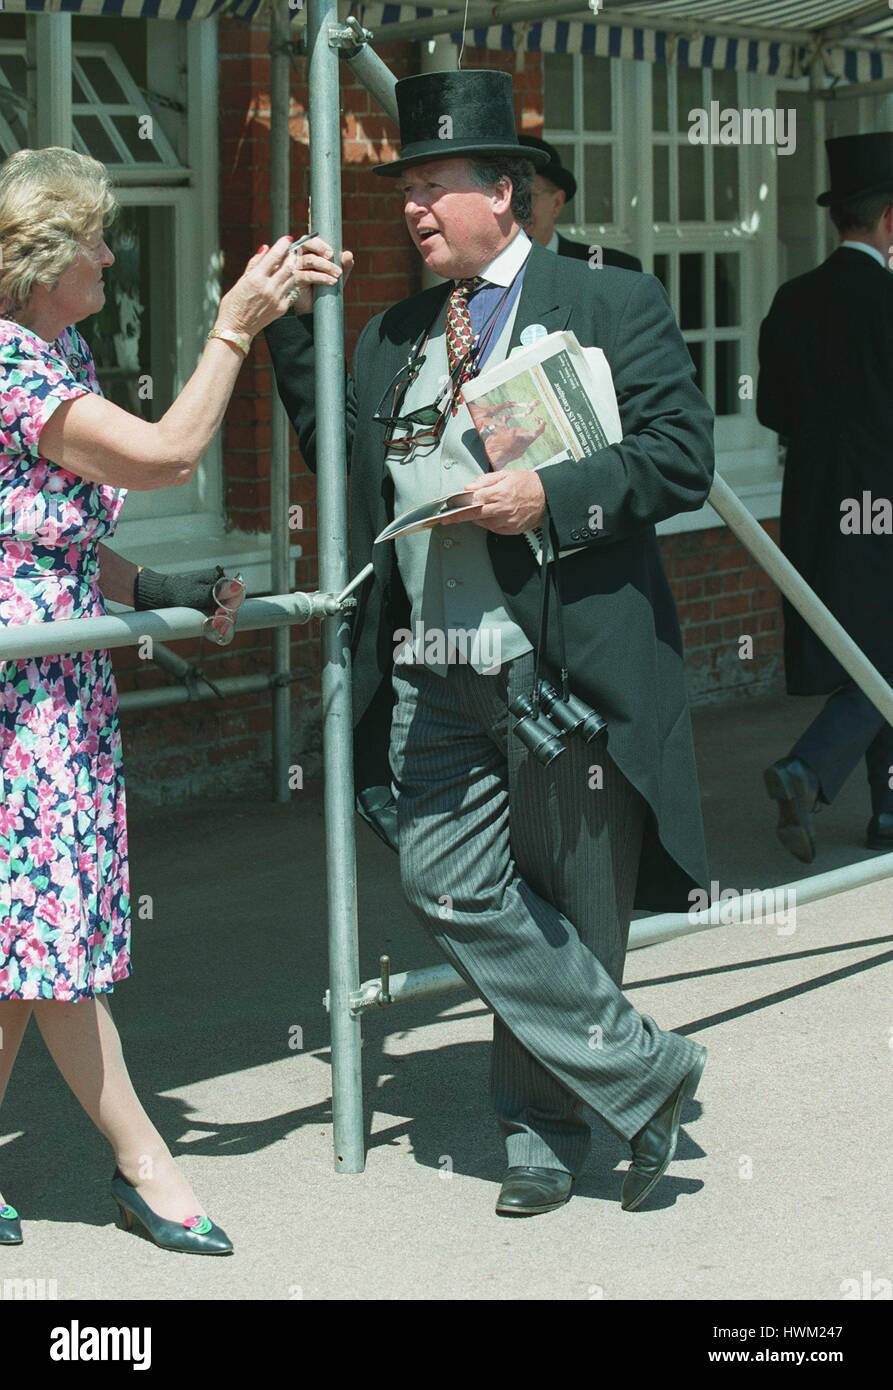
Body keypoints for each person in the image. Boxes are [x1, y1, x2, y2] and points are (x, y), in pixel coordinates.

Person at [266, 69, 714, 1216]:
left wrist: (552, 497)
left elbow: (678, 457)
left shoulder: (607, 299)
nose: (413, 208)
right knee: (445, 876)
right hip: (432, 663)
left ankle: (539, 1131)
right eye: (405, 190)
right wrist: (287, 329)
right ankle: (642, 1068)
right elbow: (343, 456)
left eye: (433, 186)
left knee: (570, 894)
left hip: (563, 663)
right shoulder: (393, 333)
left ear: (503, 194)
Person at [0, 146, 316, 1252]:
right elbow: (169, 456)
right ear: (42, 261)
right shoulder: (13, 371)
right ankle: (144, 1158)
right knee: (48, 934)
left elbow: (63, 536)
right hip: (17, 689)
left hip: (60, 669)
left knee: (23, 936)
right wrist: (234, 324)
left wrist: (168, 590)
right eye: (91, 238)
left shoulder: (59, 346)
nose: (107, 254)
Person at [757, 132, 893, 863]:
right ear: (889, 220)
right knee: (882, 657)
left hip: (812, 504)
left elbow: (771, 410)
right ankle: (807, 769)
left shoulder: (791, 298)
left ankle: (885, 812)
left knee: (869, 650)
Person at [518, 133, 643, 272]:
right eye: (499, 197)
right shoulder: (489, 271)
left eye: (525, 196)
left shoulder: (613, 270)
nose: (510, 209)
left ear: (556, 203)